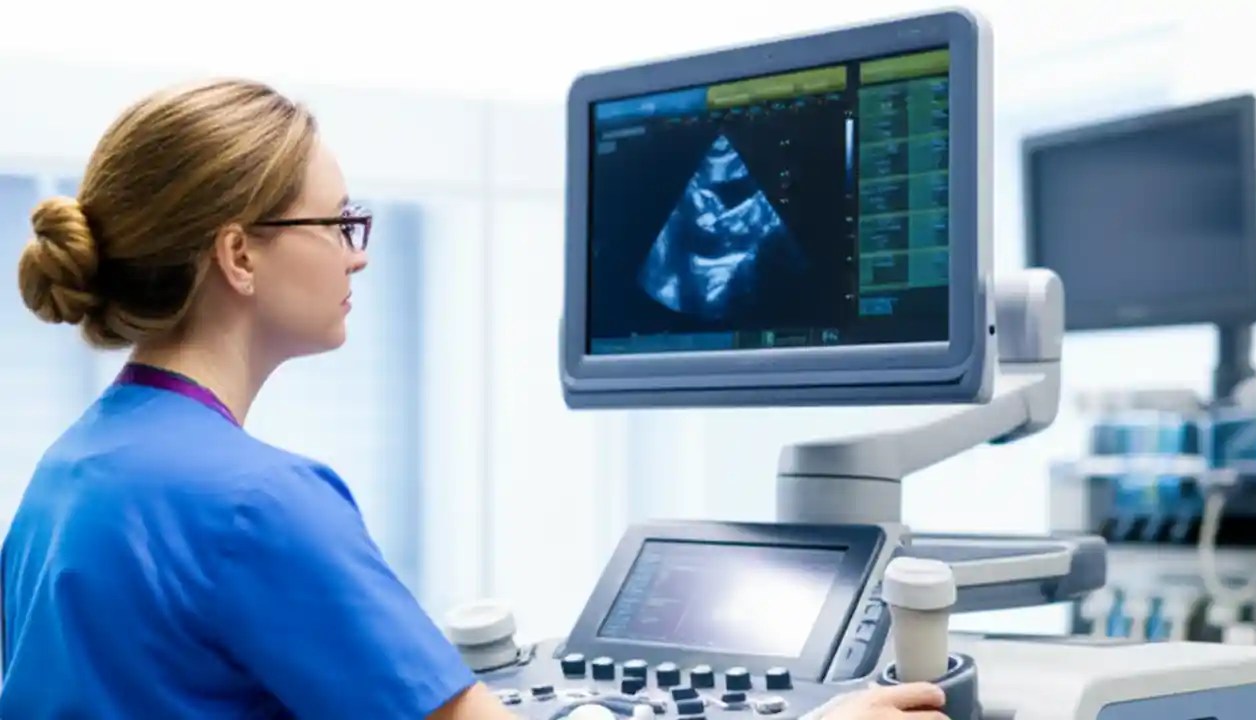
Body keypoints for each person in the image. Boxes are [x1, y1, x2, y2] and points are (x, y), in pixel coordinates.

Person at [1, 78, 951, 720]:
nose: (358, 254)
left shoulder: (69, 474)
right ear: (239, 255)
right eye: (338, 223)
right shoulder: (255, 504)